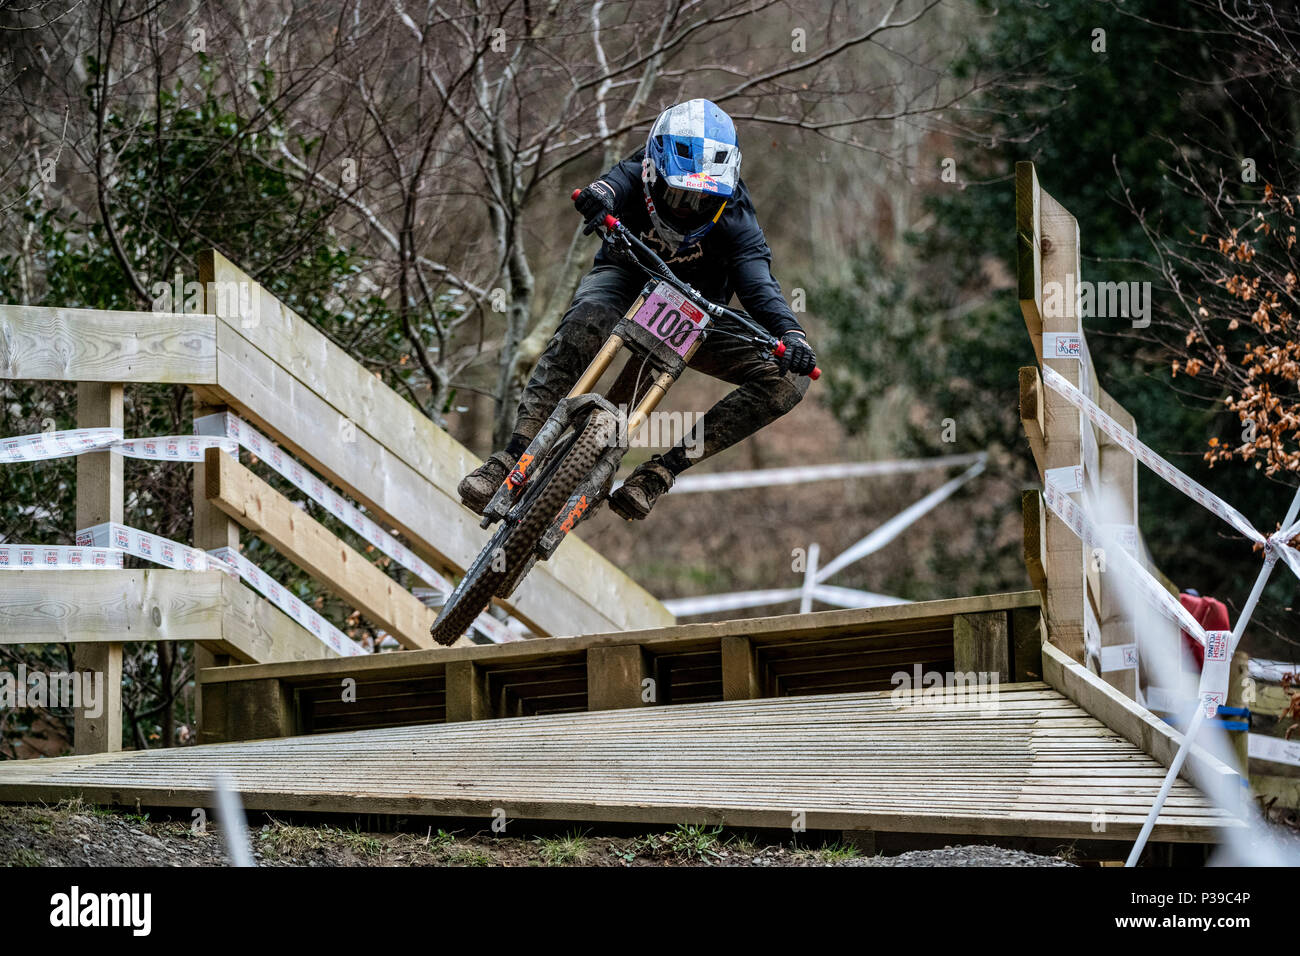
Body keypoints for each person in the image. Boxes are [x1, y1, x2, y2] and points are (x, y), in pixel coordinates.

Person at [458, 98, 817, 520]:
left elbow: (758, 282)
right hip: (627, 278)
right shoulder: (638, 169)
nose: (687, 207)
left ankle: (658, 475)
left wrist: (791, 333)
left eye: (702, 199)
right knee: (583, 322)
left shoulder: (736, 214)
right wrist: (596, 199)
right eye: (678, 192)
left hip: (698, 315)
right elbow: (610, 186)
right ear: (655, 170)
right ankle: (510, 459)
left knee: (788, 382)